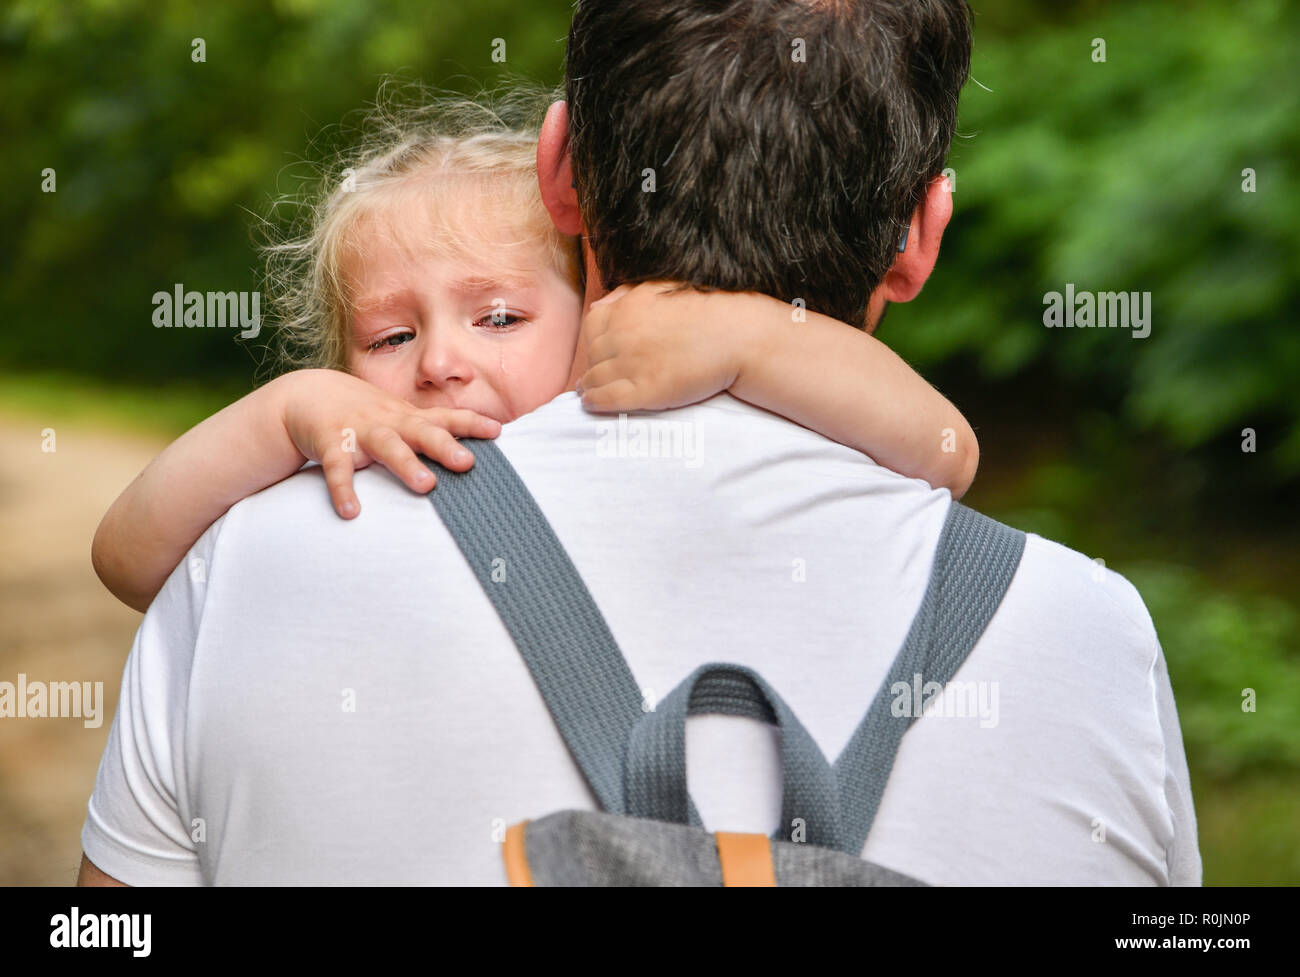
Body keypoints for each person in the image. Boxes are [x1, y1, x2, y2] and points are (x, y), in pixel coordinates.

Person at [79, 0, 1201, 885]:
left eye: (501, 314)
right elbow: (945, 460)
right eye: (385, 334)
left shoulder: (260, 571)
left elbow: (944, 443)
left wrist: (742, 342)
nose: (440, 364)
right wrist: (288, 411)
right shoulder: (1091, 631)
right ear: (921, 231)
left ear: (564, 172)